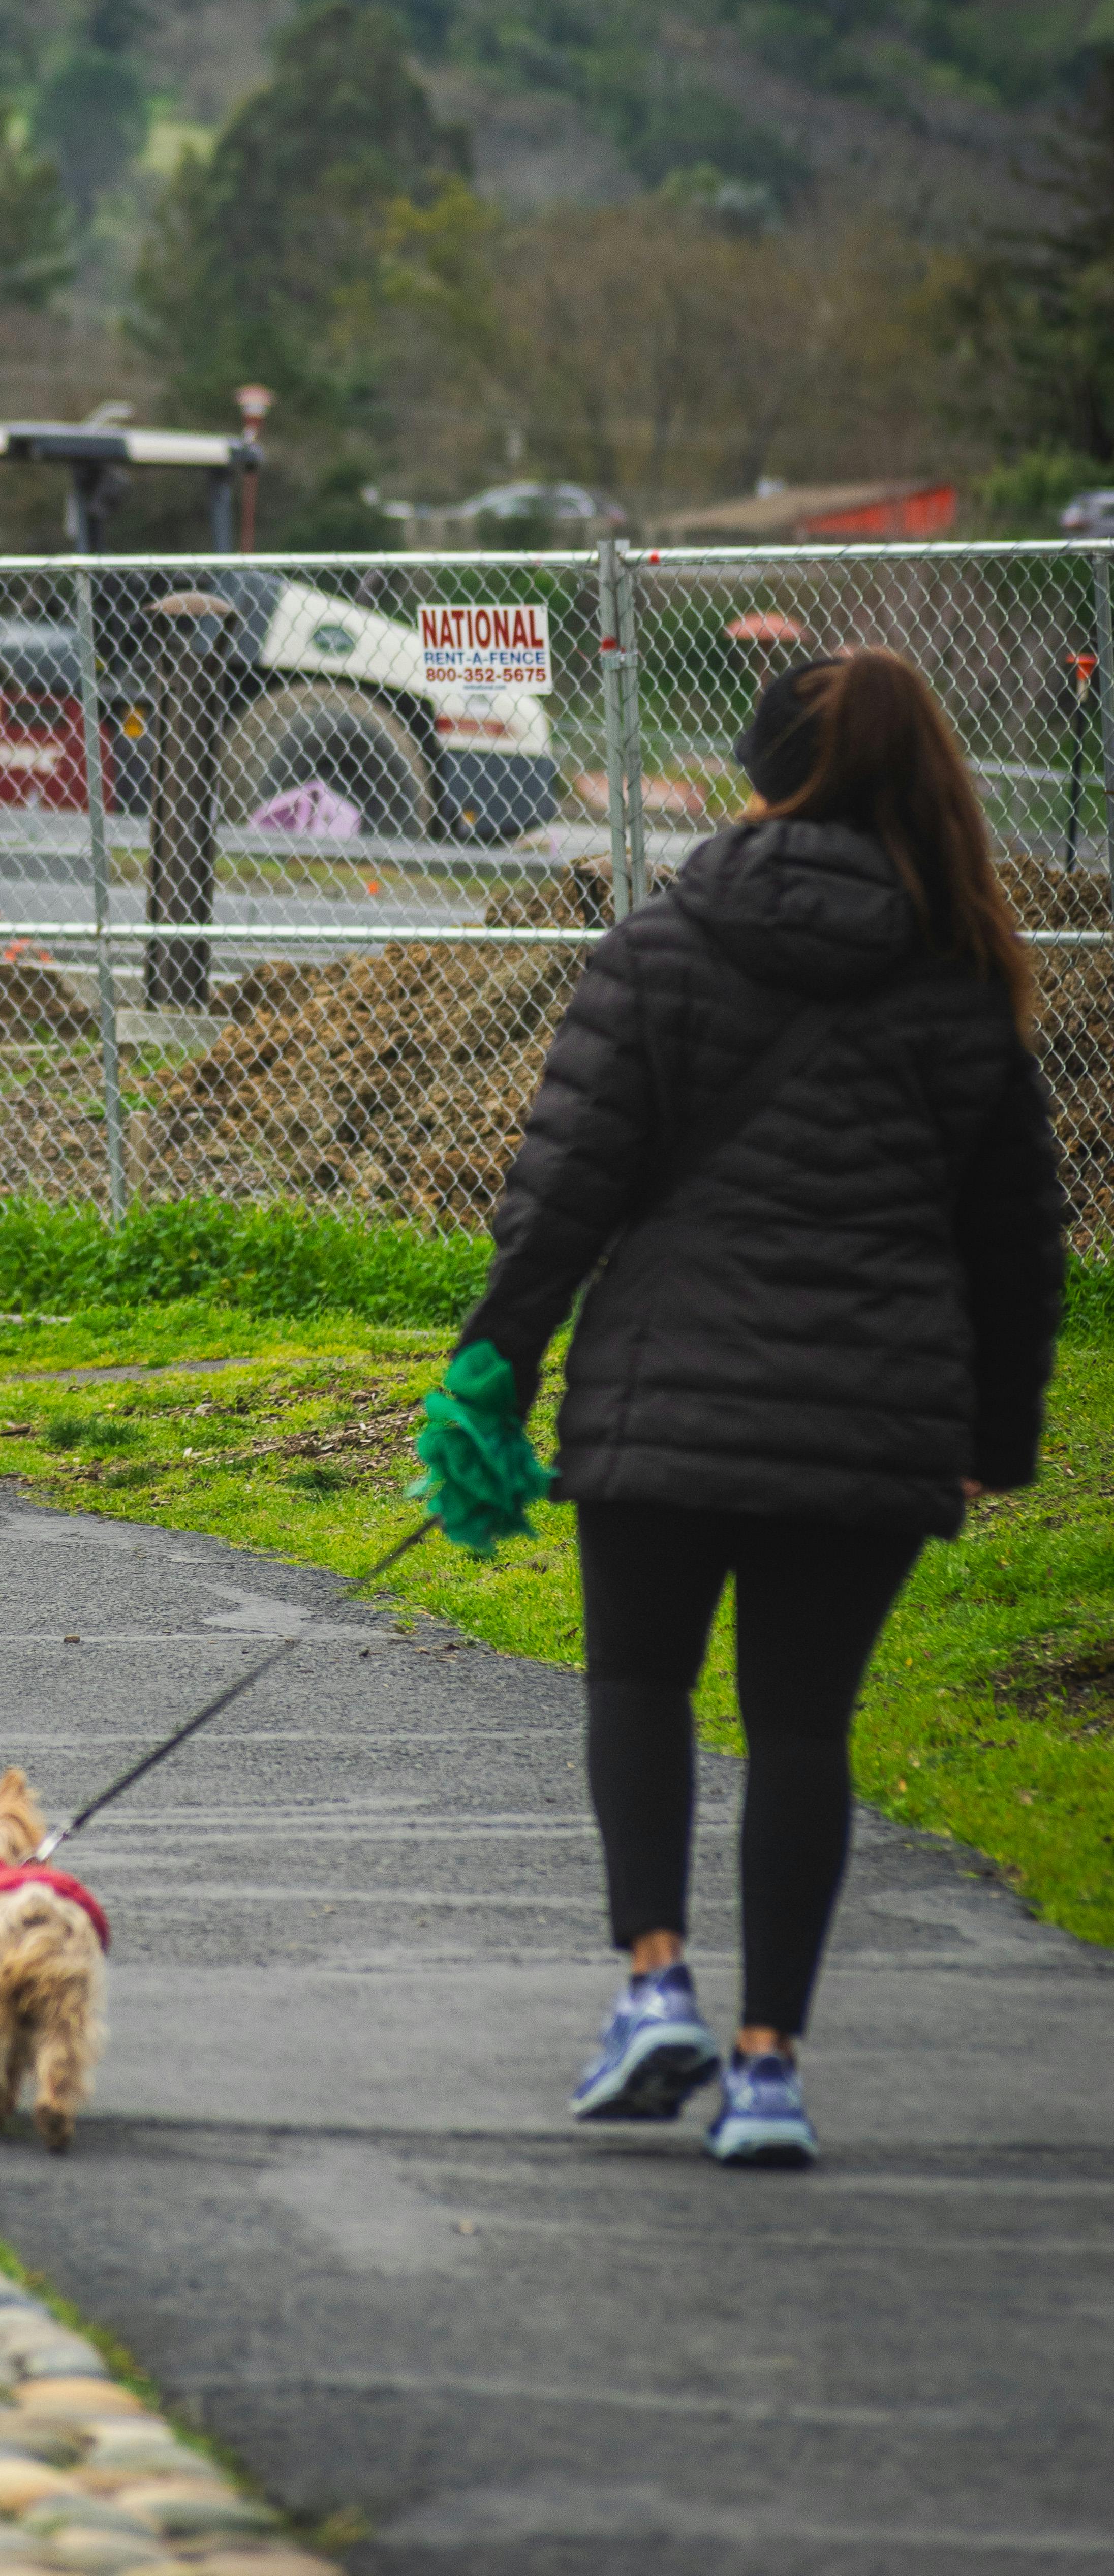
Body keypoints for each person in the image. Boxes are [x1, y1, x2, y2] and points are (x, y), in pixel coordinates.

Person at [454, 648, 1066, 2165]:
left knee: (638, 1682)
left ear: (759, 772)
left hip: (662, 1386)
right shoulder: (965, 970)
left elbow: (565, 1182)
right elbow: (1019, 1243)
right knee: (802, 1726)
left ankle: (653, 1984)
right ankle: (769, 2069)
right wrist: (993, 1438)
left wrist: (495, 1369)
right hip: (873, 1409)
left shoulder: (664, 942)